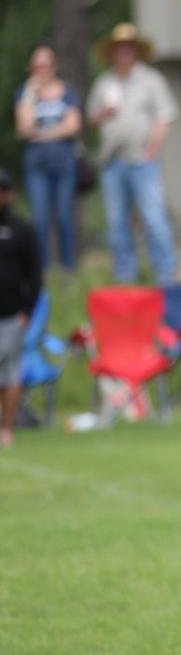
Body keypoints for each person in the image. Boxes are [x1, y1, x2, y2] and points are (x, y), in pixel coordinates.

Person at [86, 23, 178, 286]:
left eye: (128, 49)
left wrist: (151, 150)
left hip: (142, 161)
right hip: (113, 162)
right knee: (117, 224)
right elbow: (92, 117)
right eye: (119, 49)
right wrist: (104, 113)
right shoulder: (104, 82)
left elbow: (166, 116)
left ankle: (166, 276)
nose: (124, 53)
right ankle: (125, 277)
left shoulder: (150, 79)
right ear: (113, 53)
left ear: (135, 52)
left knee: (153, 218)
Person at [14, 45, 81, 273]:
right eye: (37, 65)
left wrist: (42, 133)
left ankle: (67, 270)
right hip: (37, 165)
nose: (42, 69)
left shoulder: (67, 91)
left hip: (64, 164)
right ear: (31, 68)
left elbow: (73, 127)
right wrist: (31, 94)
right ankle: (40, 270)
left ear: (54, 66)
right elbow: (24, 128)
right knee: (40, 220)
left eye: (46, 64)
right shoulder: (25, 93)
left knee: (64, 218)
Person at [0, 170, 41, 448]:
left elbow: (35, 276)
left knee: (10, 372)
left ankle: (7, 428)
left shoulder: (22, 230)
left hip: (12, 314)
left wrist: (27, 310)